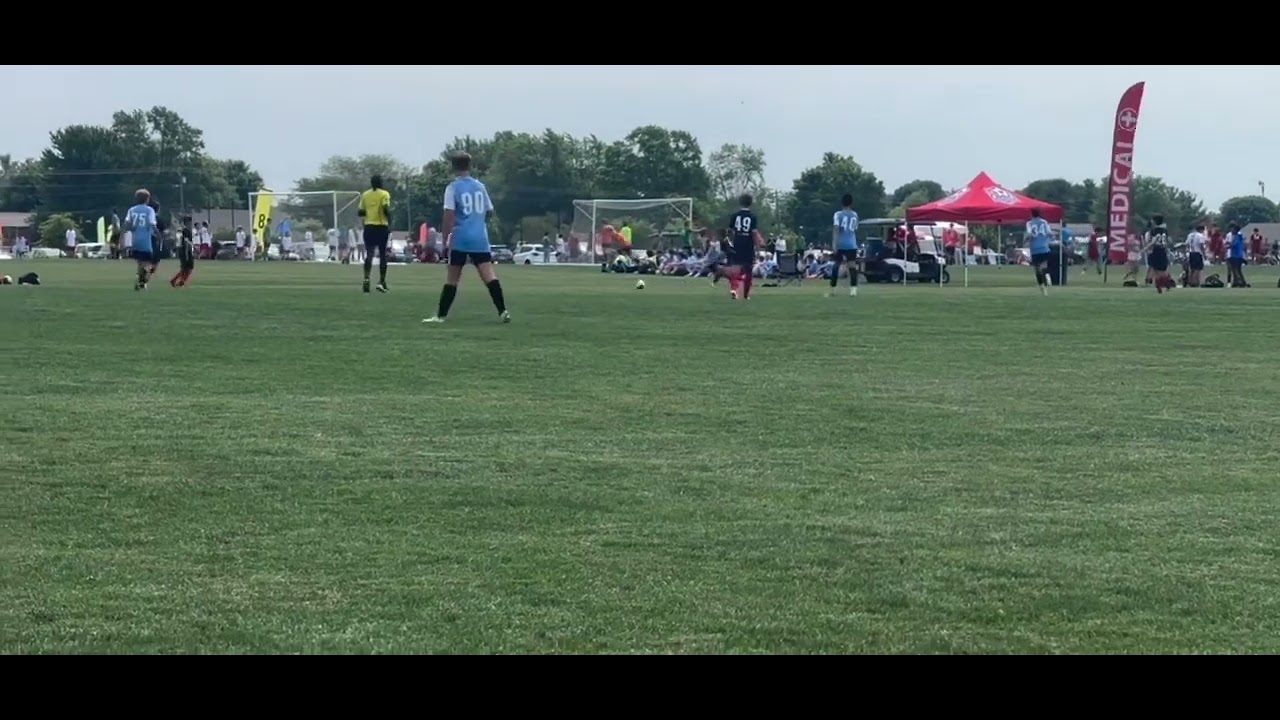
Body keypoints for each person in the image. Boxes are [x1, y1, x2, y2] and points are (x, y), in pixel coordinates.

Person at [423, 152, 510, 324]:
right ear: (470, 166)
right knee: (489, 276)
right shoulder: (480, 186)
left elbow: (449, 214)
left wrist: (446, 237)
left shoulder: (453, 188)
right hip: (480, 238)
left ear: (453, 167)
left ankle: (440, 316)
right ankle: (503, 311)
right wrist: (477, 222)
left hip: (461, 238)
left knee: (453, 278)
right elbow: (490, 211)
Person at [726, 193, 764, 300]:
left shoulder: (735, 216)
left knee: (735, 268)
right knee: (748, 270)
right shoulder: (752, 217)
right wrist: (757, 246)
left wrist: (730, 241)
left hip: (737, 243)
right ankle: (746, 294)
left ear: (740, 202)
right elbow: (754, 232)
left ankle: (734, 289)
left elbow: (729, 231)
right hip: (748, 244)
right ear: (750, 203)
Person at [358, 174, 392, 292]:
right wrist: (390, 221)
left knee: (369, 254)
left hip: (369, 227)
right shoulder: (384, 194)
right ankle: (381, 281)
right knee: (383, 255)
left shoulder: (365, 195)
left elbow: (360, 212)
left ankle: (366, 279)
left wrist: (370, 211)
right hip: (381, 226)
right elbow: (385, 208)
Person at [125, 189, 158, 291]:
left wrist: (132, 228)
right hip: (145, 241)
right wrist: (158, 234)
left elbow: (127, 224)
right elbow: (152, 224)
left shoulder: (131, 210)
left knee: (140, 262)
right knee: (147, 263)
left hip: (135, 241)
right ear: (147, 199)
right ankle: (141, 280)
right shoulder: (149, 210)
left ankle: (141, 282)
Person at [829, 193, 860, 297]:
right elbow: (855, 228)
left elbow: (836, 229)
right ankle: (853, 290)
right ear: (851, 203)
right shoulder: (855, 215)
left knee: (836, 266)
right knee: (852, 267)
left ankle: (833, 290)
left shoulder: (838, 214)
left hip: (841, 244)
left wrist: (834, 244)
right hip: (852, 244)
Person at [1025, 208, 1053, 294]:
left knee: (1037, 269)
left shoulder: (1029, 223)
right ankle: (1048, 277)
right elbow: (1050, 234)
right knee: (1044, 265)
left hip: (1035, 249)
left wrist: (1026, 240)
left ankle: (1043, 288)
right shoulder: (1044, 222)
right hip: (1045, 248)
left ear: (1031, 214)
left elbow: (1030, 234)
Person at [1144, 214, 1174, 293]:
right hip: (1163, 250)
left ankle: (1159, 284)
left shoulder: (1153, 231)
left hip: (1156, 250)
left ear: (1155, 221)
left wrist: (1145, 248)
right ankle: (1165, 282)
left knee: (1155, 270)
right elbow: (1169, 241)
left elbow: (1153, 242)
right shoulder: (1165, 230)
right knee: (1163, 270)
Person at [171, 216, 196, 287]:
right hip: (186, 251)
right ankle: (181, 282)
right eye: (190, 222)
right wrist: (189, 252)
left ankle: (176, 281)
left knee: (185, 268)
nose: (191, 224)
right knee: (188, 268)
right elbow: (186, 242)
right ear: (188, 222)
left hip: (183, 250)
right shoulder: (186, 231)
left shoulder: (183, 230)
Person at [1185, 223, 1208, 287]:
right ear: (1201, 230)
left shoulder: (1190, 235)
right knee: (1197, 269)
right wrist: (1204, 254)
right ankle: (1195, 282)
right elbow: (1201, 245)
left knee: (1192, 268)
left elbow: (1187, 244)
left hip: (1191, 252)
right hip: (1197, 253)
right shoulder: (1200, 235)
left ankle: (1190, 281)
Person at [1227, 223, 1249, 287]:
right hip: (1240, 255)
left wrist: (1227, 246)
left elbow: (1234, 245)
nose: (1231, 230)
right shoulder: (1240, 236)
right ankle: (1243, 282)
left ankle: (1238, 282)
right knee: (1239, 270)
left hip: (1235, 255)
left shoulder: (1237, 236)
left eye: (1232, 229)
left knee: (1235, 269)